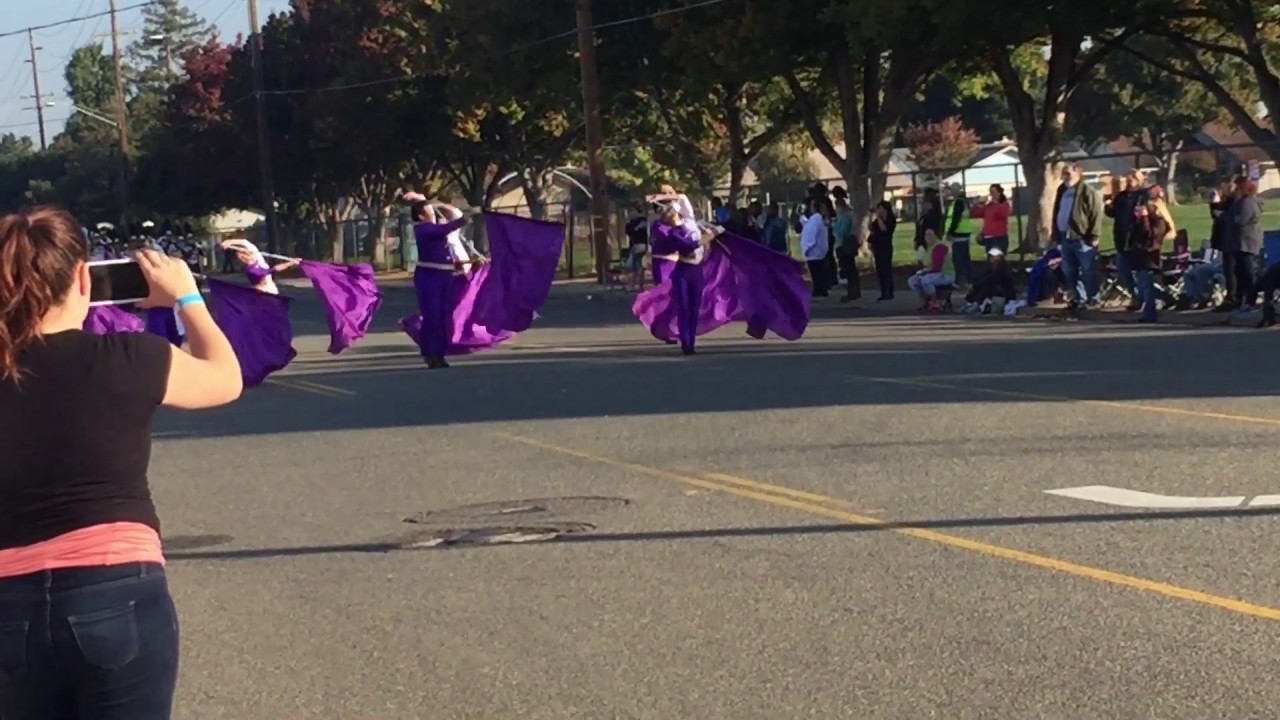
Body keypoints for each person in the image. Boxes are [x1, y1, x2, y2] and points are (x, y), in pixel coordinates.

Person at [0, 206, 243, 720]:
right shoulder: (129, 357)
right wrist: (187, 299)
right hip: (117, 590)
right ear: (84, 278)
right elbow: (225, 378)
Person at [408, 197, 469, 369]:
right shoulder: (423, 229)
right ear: (420, 216)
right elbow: (448, 227)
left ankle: (440, 354)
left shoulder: (433, 229)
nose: (433, 213)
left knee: (444, 317)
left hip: (445, 276)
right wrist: (464, 218)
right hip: (429, 278)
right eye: (429, 210)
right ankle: (431, 354)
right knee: (432, 317)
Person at [648, 204, 710, 355]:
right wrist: (706, 238)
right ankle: (686, 344)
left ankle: (691, 342)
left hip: (697, 270)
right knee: (684, 308)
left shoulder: (690, 225)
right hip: (682, 271)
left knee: (694, 309)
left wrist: (708, 238)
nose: (672, 213)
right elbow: (688, 246)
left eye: (672, 211)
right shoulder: (672, 233)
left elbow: (703, 242)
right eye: (670, 212)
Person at [1051, 163, 1104, 309]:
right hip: (1065, 237)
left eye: (1068, 173)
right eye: (1064, 173)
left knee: (1088, 270)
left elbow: (1096, 213)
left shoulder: (1087, 191)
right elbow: (1057, 212)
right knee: (1069, 270)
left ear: (1078, 173)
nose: (1065, 176)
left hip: (1082, 238)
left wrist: (1094, 235)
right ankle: (1077, 298)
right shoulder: (1061, 190)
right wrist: (1055, 235)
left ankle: (1093, 298)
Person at [1104, 170, 1150, 309]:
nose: (1129, 182)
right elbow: (1113, 213)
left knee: (1141, 272)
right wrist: (1108, 205)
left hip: (1137, 239)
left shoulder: (1143, 195)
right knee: (1123, 270)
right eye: (1127, 180)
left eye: (1132, 180)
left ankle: (1144, 299)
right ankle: (1134, 294)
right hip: (1121, 238)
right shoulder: (1121, 196)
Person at [1218, 176, 1262, 313]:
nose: (1236, 190)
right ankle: (1242, 299)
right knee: (1240, 272)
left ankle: (1251, 300)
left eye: (1238, 187)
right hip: (1238, 242)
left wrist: (1223, 216)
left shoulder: (1247, 203)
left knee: (1248, 273)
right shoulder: (1240, 202)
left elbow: (1239, 220)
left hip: (1246, 242)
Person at [1128, 201, 1169, 323]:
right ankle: (1161, 302)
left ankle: (1151, 314)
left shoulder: (1159, 222)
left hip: (1150, 258)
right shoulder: (1140, 222)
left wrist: (1145, 218)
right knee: (1143, 287)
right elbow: (1134, 236)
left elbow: (1150, 236)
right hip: (1140, 258)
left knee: (1147, 287)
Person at [219, 239, 300, 296]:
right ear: (246, 257)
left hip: (272, 291)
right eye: (252, 254)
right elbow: (274, 269)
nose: (256, 254)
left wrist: (229, 242)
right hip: (263, 294)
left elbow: (245, 242)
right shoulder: (251, 270)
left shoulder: (258, 259)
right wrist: (291, 263)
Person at [907, 227, 952, 310]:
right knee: (912, 280)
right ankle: (924, 303)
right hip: (934, 273)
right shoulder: (928, 248)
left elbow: (937, 267)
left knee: (926, 280)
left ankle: (935, 302)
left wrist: (925, 272)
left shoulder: (939, 247)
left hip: (946, 274)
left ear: (935, 236)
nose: (928, 237)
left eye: (930, 235)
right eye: (926, 235)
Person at [962, 247, 1016, 312]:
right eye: (991, 256)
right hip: (993, 288)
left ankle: (977, 303)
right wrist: (973, 283)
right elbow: (982, 275)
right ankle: (971, 302)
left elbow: (991, 278)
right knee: (982, 285)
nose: (991, 258)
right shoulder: (991, 266)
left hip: (1003, 291)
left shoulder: (1003, 268)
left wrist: (975, 285)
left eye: (994, 256)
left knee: (986, 285)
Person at [800, 198, 831, 298]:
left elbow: (811, 233)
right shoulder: (820, 219)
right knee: (820, 271)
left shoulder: (815, 219)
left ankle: (819, 290)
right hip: (820, 250)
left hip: (814, 250)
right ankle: (822, 289)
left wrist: (808, 246)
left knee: (816, 272)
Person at [833, 194, 860, 302]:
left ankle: (853, 291)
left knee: (849, 268)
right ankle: (851, 290)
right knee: (848, 269)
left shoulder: (845, 217)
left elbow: (841, 231)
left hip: (845, 245)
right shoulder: (841, 217)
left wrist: (834, 226)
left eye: (837, 206)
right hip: (841, 244)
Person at [971, 184, 1012, 255]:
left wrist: (996, 203)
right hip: (988, 237)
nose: (991, 194)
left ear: (999, 193)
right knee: (990, 259)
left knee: (998, 260)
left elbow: (1003, 215)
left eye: (993, 192)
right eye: (990, 192)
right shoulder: (988, 206)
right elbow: (977, 214)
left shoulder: (1004, 204)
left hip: (999, 237)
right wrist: (977, 204)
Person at [944, 194, 973, 287]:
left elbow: (955, 218)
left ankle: (960, 281)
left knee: (958, 260)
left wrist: (950, 232)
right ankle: (969, 280)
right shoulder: (964, 203)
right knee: (965, 260)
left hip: (958, 234)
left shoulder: (958, 203)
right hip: (964, 234)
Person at [870, 200, 897, 300]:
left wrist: (878, 218)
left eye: (881, 209)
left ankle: (889, 291)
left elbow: (884, 229)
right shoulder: (877, 221)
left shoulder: (890, 219)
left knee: (886, 269)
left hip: (886, 247)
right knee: (880, 270)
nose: (879, 211)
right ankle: (883, 291)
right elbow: (871, 228)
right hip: (877, 247)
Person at [624, 206, 650, 291]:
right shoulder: (644, 221)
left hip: (638, 245)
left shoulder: (638, 221)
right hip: (641, 245)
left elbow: (629, 231)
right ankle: (639, 285)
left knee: (635, 266)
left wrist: (628, 224)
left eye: (631, 211)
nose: (630, 214)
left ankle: (633, 285)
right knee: (639, 265)